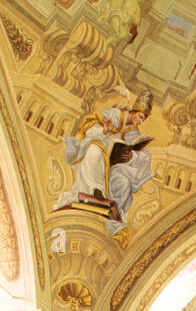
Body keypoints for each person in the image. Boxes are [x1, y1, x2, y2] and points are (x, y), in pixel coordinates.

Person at [54, 90, 154, 233]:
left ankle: (115, 213)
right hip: (95, 147)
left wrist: (132, 156)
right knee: (95, 151)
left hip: (112, 165)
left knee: (123, 181)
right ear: (133, 111)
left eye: (143, 119)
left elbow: (142, 153)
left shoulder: (133, 131)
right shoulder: (114, 114)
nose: (140, 121)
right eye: (140, 117)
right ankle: (95, 190)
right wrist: (105, 131)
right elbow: (88, 130)